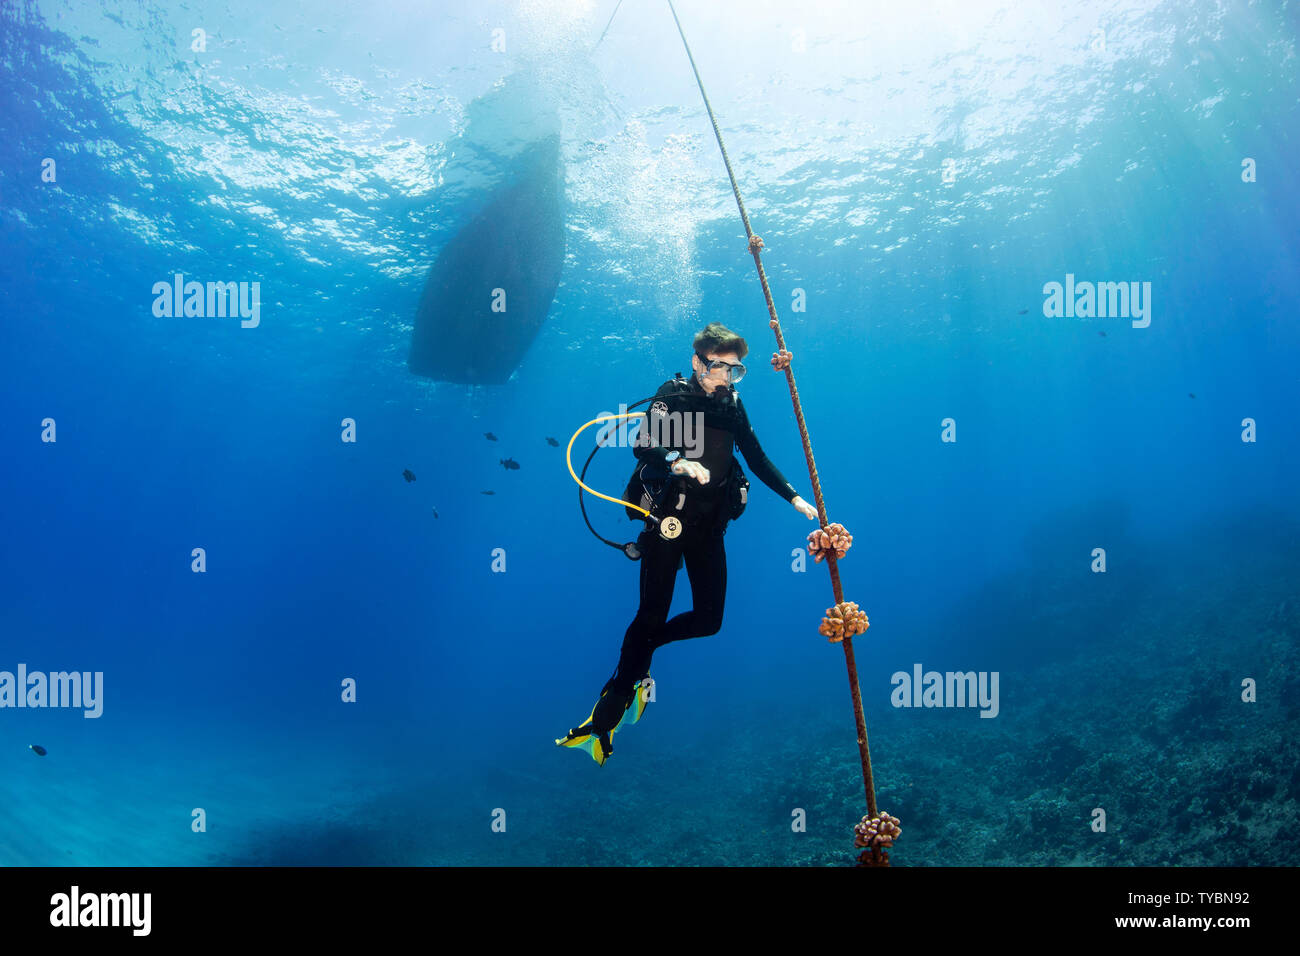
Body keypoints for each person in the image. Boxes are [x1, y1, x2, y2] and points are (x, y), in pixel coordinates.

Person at [557, 322, 818, 764]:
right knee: (650, 613)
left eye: (736, 372)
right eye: (720, 368)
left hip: (709, 527)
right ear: (698, 361)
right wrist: (677, 461)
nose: (727, 379)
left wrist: (793, 495)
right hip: (668, 523)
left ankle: (646, 650)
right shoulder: (672, 396)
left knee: (709, 620)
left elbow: (755, 457)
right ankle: (610, 708)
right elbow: (643, 444)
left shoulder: (733, 405)